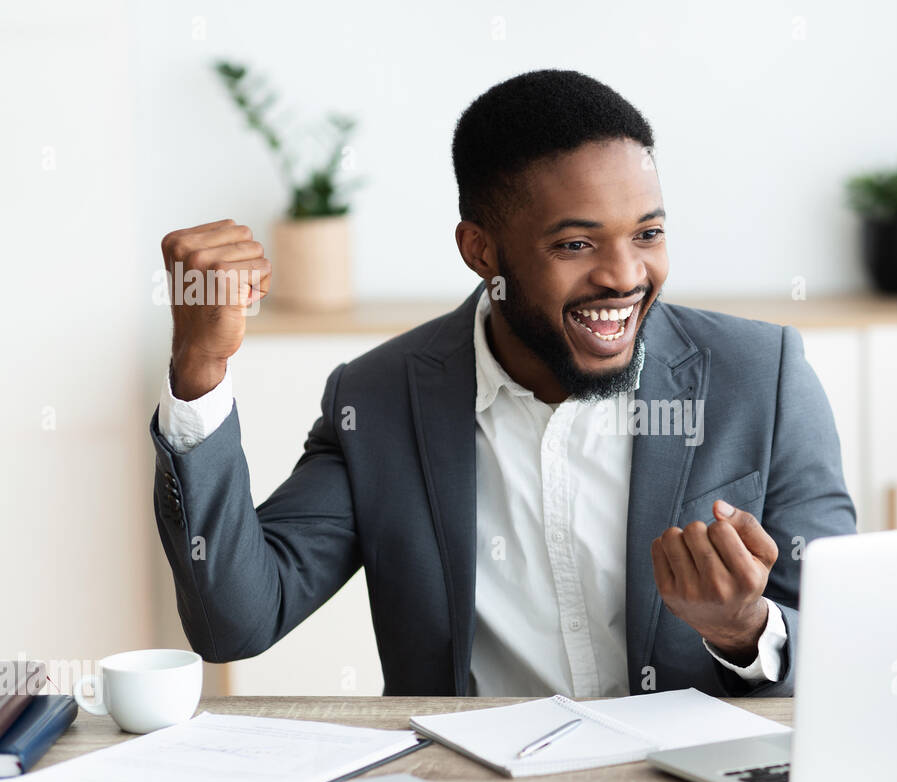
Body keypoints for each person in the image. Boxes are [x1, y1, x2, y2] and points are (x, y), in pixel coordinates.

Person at [151, 69, 855, 698]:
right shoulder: (381, 401)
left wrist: (743, 627)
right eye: (576, 244)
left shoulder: (762, 379)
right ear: (481, 251)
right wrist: (200, 372)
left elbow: (846, 648)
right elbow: (237, 620)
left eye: (647, 234)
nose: (624, 275)